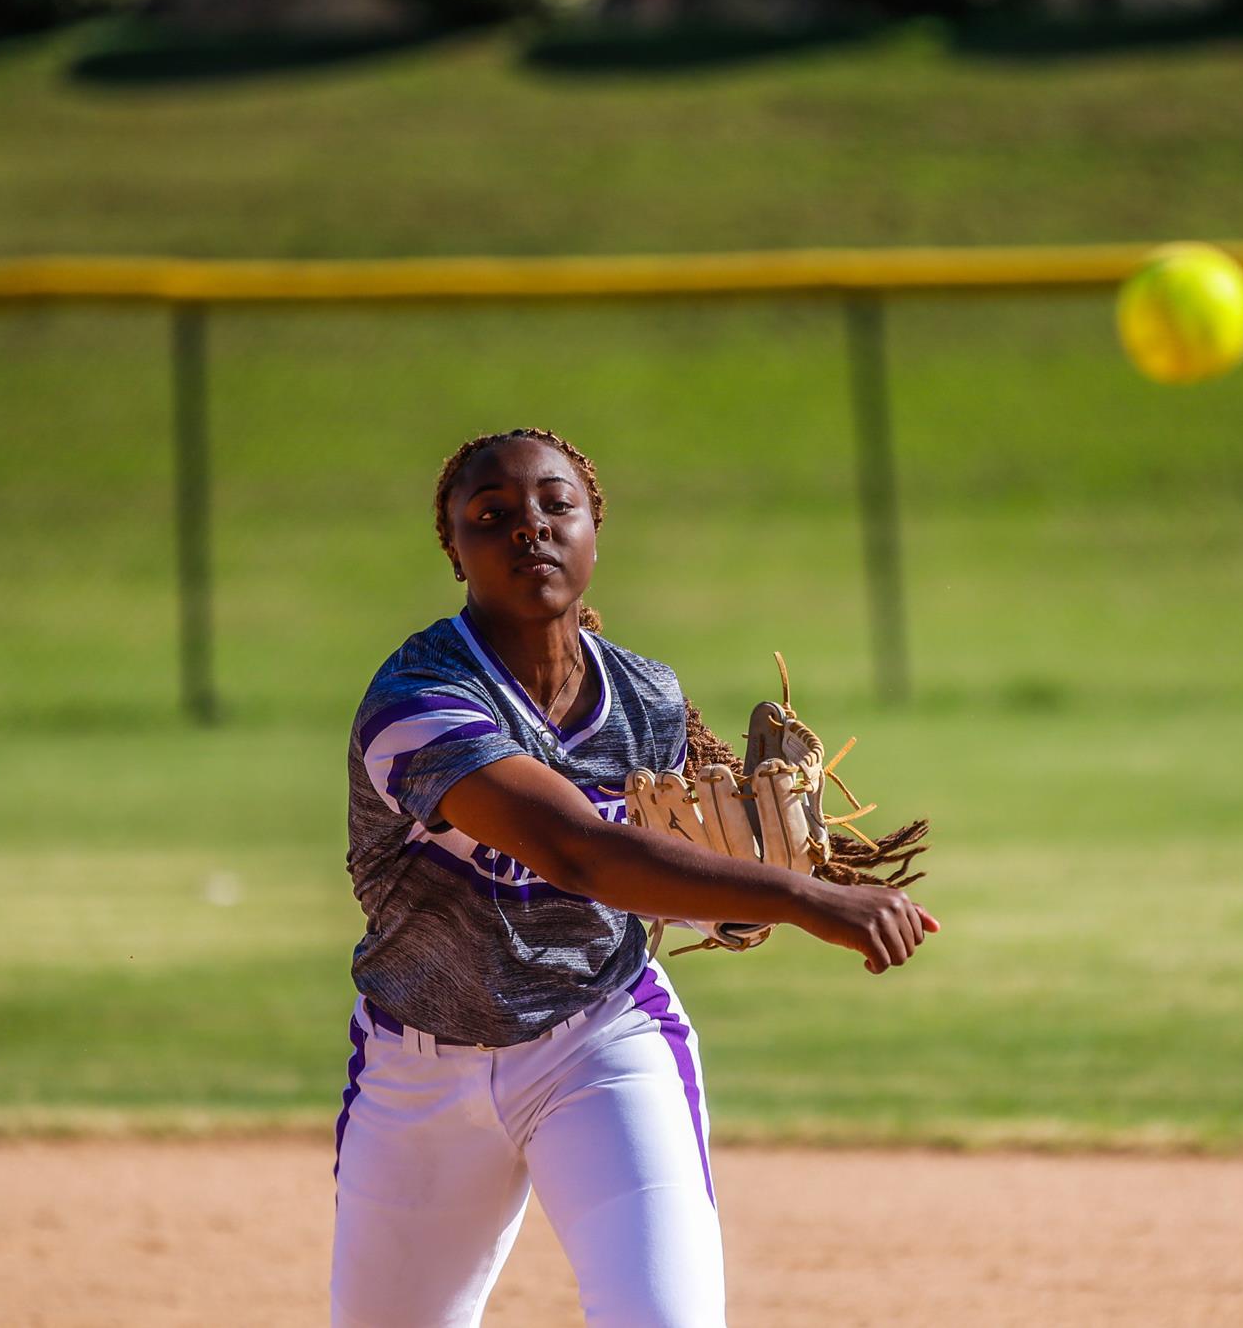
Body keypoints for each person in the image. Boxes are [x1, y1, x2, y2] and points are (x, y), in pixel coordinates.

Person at [330, 427, 938, 1328]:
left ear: (594, 531)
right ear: (455, 550)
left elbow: (649, 881)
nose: (527, 527)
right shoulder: (418, 699)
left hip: (597, 1043)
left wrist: (729, 903)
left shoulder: (648, 698)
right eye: (492, 515)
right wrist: (807, 897)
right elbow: (578, 850)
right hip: (416, 1071)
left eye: (554, 505)